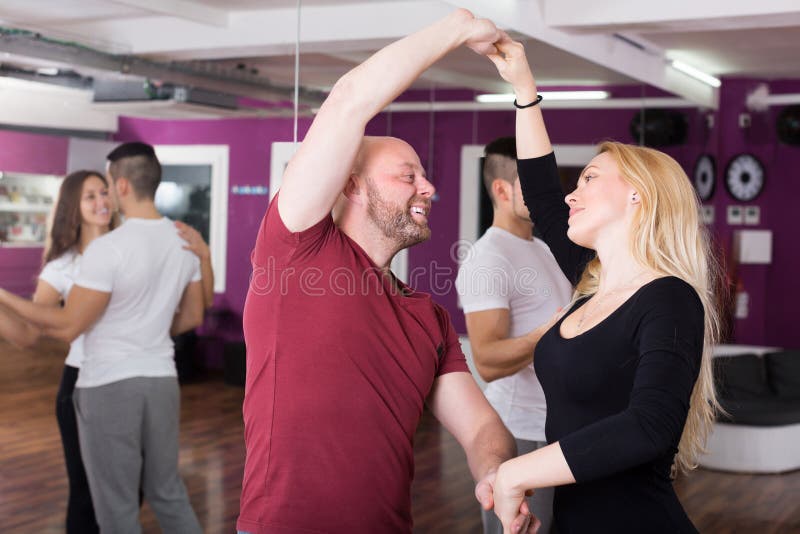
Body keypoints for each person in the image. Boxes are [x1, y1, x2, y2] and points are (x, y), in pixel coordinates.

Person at [238, 10, 535, 534]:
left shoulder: (429, 318)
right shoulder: (295, 253)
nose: (429, 188)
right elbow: (351, 99)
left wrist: (495, 474)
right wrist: (459, 26)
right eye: (408, 175)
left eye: (424, 175)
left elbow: (484, 426)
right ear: (352, 186)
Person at [482, 36, 723, 534]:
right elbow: (544, 191)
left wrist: (515, 473)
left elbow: (648, 427)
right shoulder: (591, 287)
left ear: (638, 194)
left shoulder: (669, 299)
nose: (572, 195)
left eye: (589, 178)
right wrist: (524, 87)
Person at [0, 142, 212, 533]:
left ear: (124, 187)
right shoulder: (183, 240)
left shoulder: (109, 249)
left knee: (116, 510)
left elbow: (67, 326)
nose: (105, 197)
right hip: (162, 381)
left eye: (107, 187)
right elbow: (194, 315)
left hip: (109, 386)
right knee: (166, 492)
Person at [456, 136, 573, 534]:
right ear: (502, 190)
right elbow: (486, 362)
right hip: (521, 433)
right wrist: (549, 334)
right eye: (532, 183)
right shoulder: (488, 258)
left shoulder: (542, 247)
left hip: (560, 430)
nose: (547, 193)